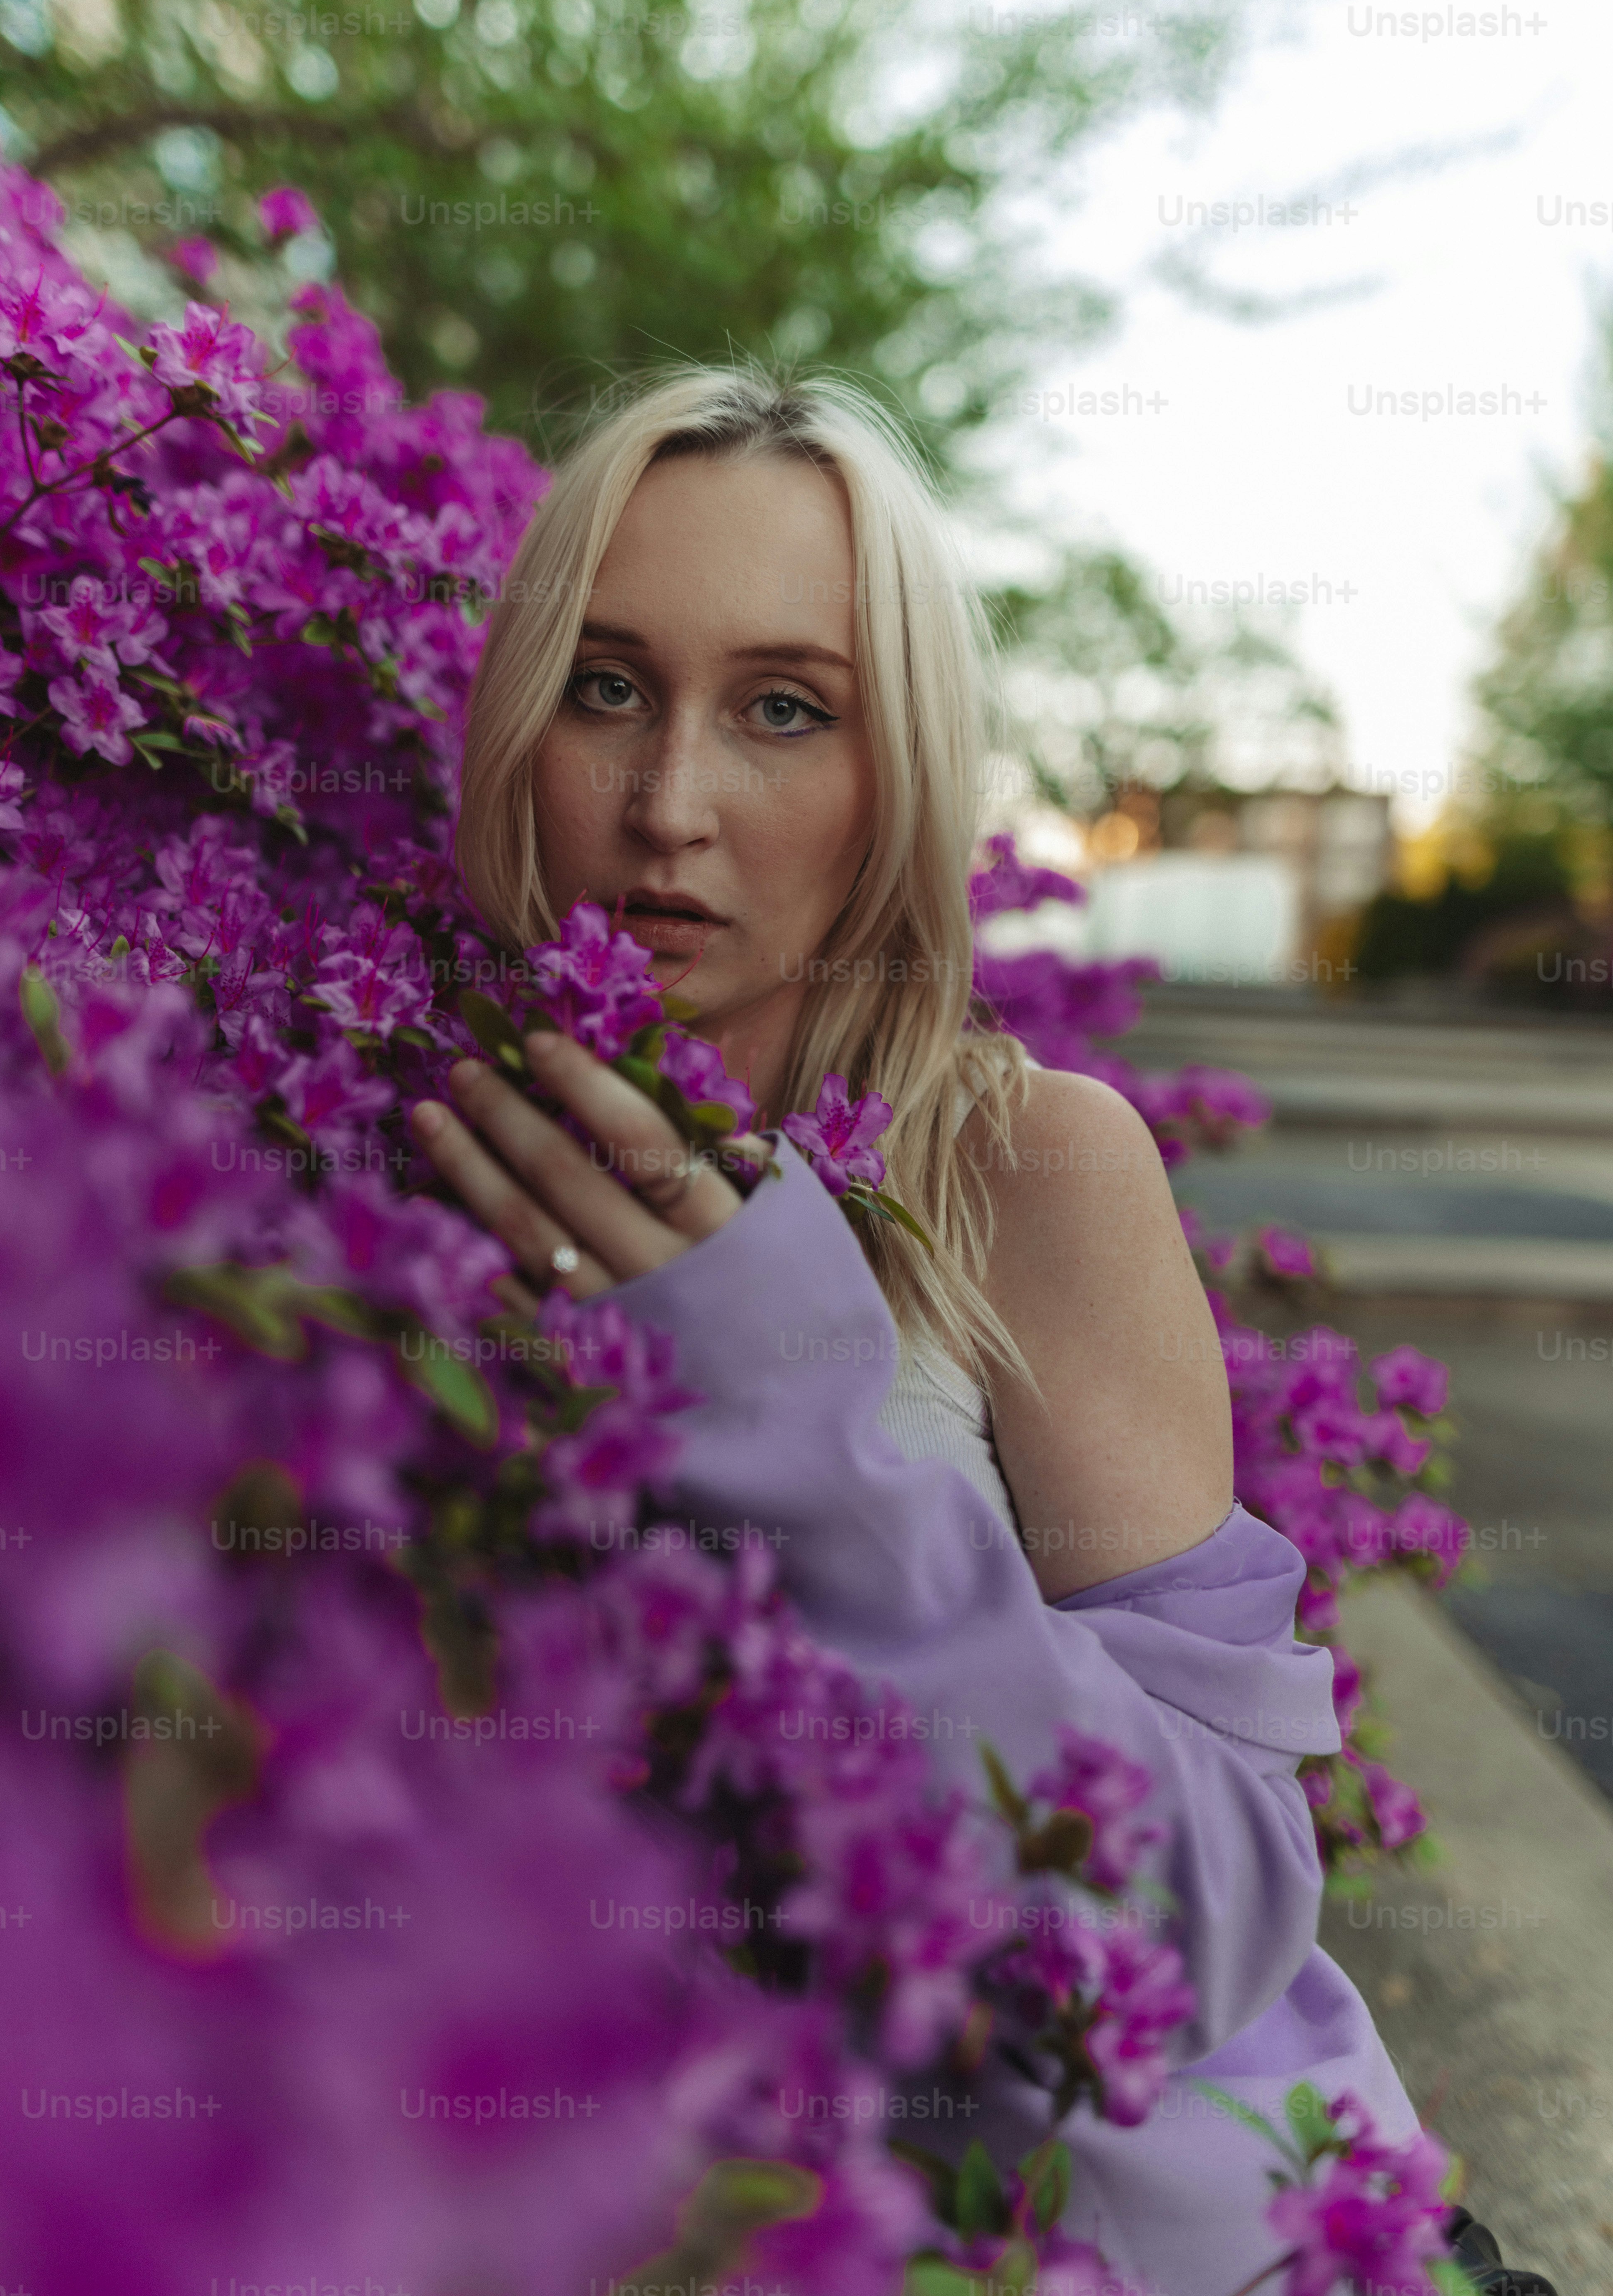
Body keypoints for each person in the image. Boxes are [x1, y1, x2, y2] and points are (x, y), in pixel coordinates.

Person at [411, 366, 1547, 2296]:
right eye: (606, 686)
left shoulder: (1025, 1164)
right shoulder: (409, 1139)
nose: (667, 800)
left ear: (899, 770)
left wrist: (788, 1415)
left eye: (784, 709)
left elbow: (1210, 1915)